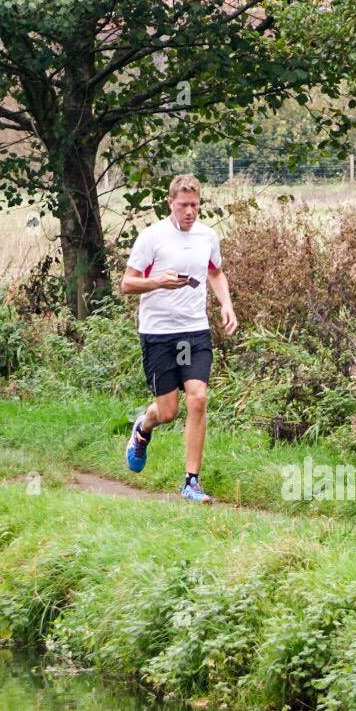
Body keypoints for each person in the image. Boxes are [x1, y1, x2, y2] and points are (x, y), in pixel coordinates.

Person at [120, 173, 237, 503]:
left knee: (198, 397)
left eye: (195, 205)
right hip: (158, 334)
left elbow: (215, 271)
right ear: (170, 203)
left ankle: (191, 482)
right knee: (167, 411)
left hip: (192, 331)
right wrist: (157, 282)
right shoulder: (152, 237)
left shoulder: (206, 236)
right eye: (183, 205)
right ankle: (143, 428)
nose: (189, 211)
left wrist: (226, 304)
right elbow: (126, 284)